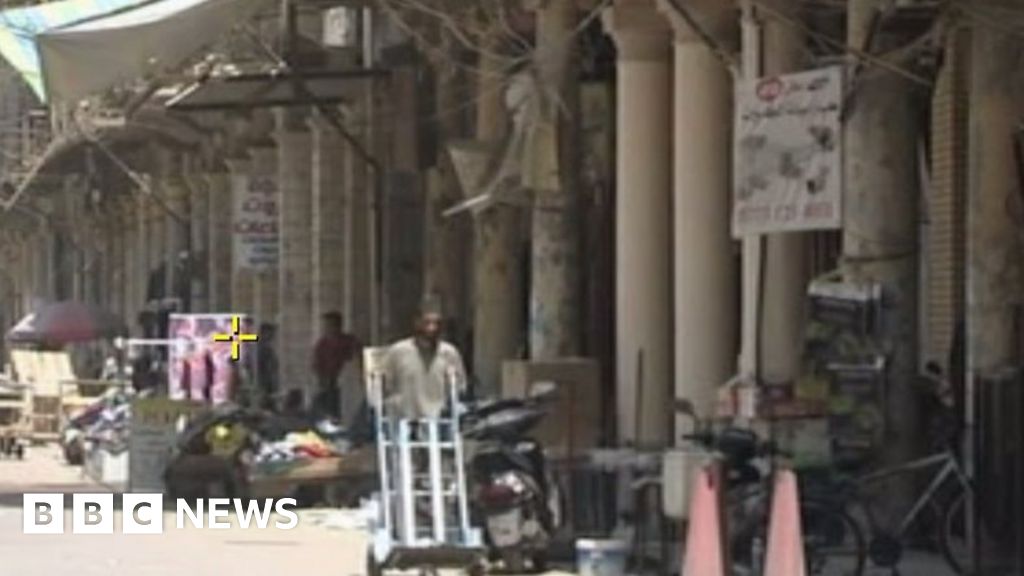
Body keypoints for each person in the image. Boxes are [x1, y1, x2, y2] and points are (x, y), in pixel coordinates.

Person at [383, 304, 468, 420]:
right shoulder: (398, 352)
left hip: (440, 422)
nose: (431, 328)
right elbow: (386, 386)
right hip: (405, 422)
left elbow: (459, 388)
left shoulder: (449, 353)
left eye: (436, 324)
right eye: (427, 323)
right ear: (417, 323)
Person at [311, 311, 359, 419]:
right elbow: (317, 363)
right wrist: (321, 379)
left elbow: (355, 358)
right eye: (325, 326)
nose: (326, 328)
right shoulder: (322, 343)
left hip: (348, 382)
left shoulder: (349, 341)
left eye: (329, 325)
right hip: (329, 381)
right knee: (329, 406)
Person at [256, 323, 279, 410]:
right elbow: (264, 367)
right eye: (270, 333)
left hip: (268, 383)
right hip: (265, 383)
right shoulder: (262, 348)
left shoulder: (266, 348)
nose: (272, 336)